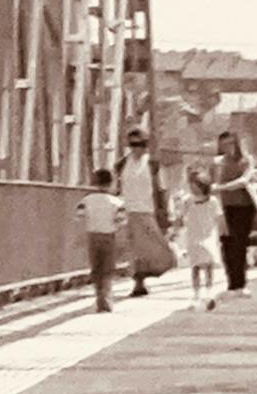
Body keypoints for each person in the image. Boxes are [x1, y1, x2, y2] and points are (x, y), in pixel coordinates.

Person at [212, 128, 257, 295]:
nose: (228, 147)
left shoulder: (246, 161)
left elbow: (244, 181)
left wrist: (222, 187)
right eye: (224, 144)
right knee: (226, 245)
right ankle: (231, 282)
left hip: (243, 208)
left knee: (239, 245)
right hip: (224, 209)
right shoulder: (218, 162)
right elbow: (210, 182)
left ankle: (240, 282)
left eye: (231, 143)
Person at [118, 133, 166, 299]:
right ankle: (138, 282)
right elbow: (116, 186)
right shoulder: (123, 163)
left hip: (147, 210)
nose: (136, 148)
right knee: (134, 250)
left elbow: (160, 188)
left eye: (140, 144)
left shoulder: (152, 164)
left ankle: (148, 275)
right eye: (133, 144)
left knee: (152, 249)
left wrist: (163, 211)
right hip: (129, 211)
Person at [176, 165, 224, 310]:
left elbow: (219, 218)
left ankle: (209, 292)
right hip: (193, 236)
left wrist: (223, 234)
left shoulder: (213, 201)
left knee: (208, 265)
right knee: (195, 266)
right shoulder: (188, 201)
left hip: (208, 236)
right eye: (191, 183)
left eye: (195, 183)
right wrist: (175, 230)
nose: (192, 186)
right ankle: (196, 294)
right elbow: (180, 217)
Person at [76, 167, 124, 313]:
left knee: (96, 269)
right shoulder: (116, 202)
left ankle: (99, 297)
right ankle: (106, 298)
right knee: (107, 269)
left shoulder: (86, 200)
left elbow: (79, 216)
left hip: (92, 235)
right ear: (111, 183)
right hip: (109, 236)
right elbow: (121, 222)